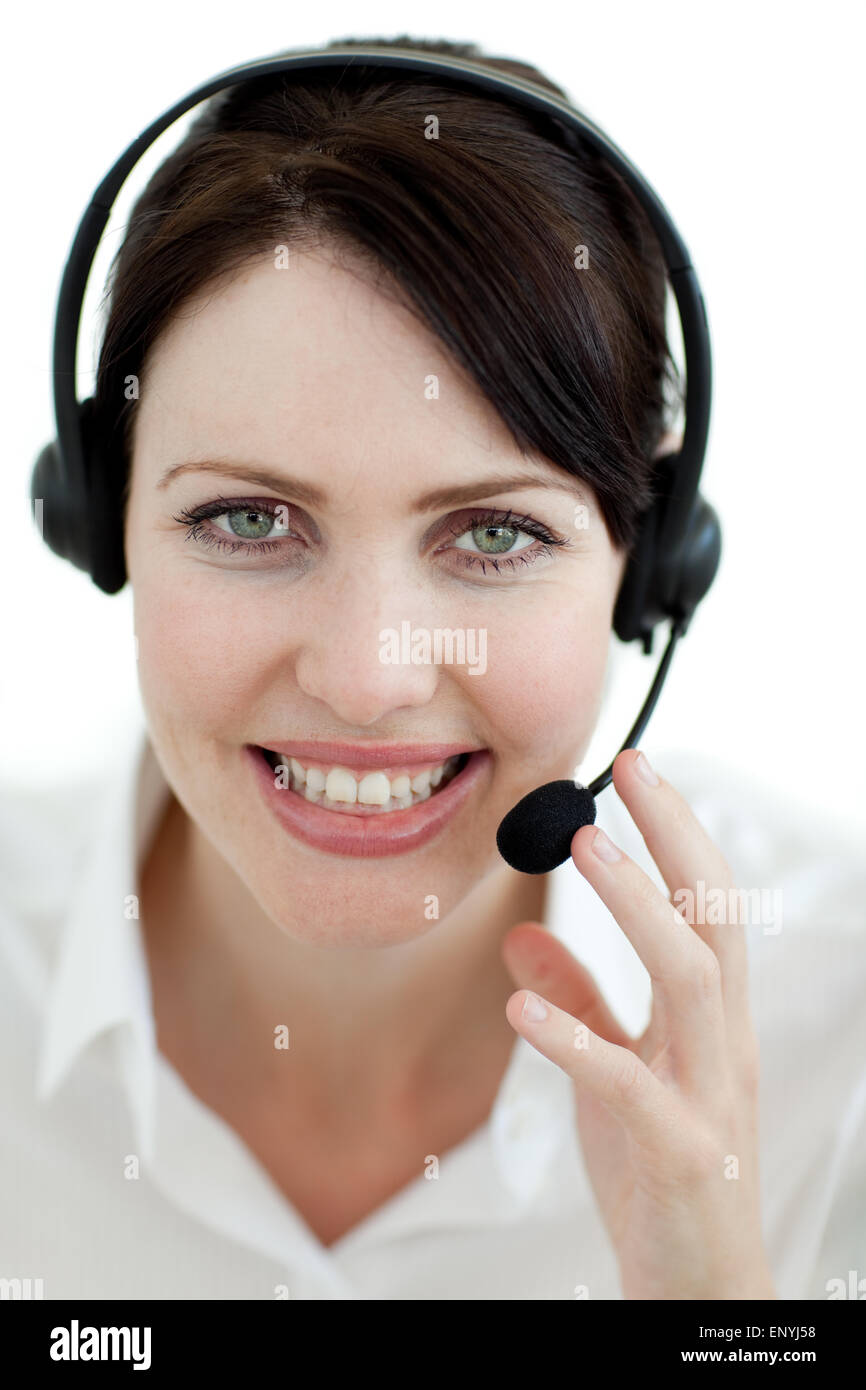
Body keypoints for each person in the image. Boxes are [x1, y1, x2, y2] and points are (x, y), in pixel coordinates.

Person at [2, 34, 864, 1301]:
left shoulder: (838, 1043)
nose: (366, 677)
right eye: (247, 520)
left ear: (648, 569)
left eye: (493, 533)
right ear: (98, 524)